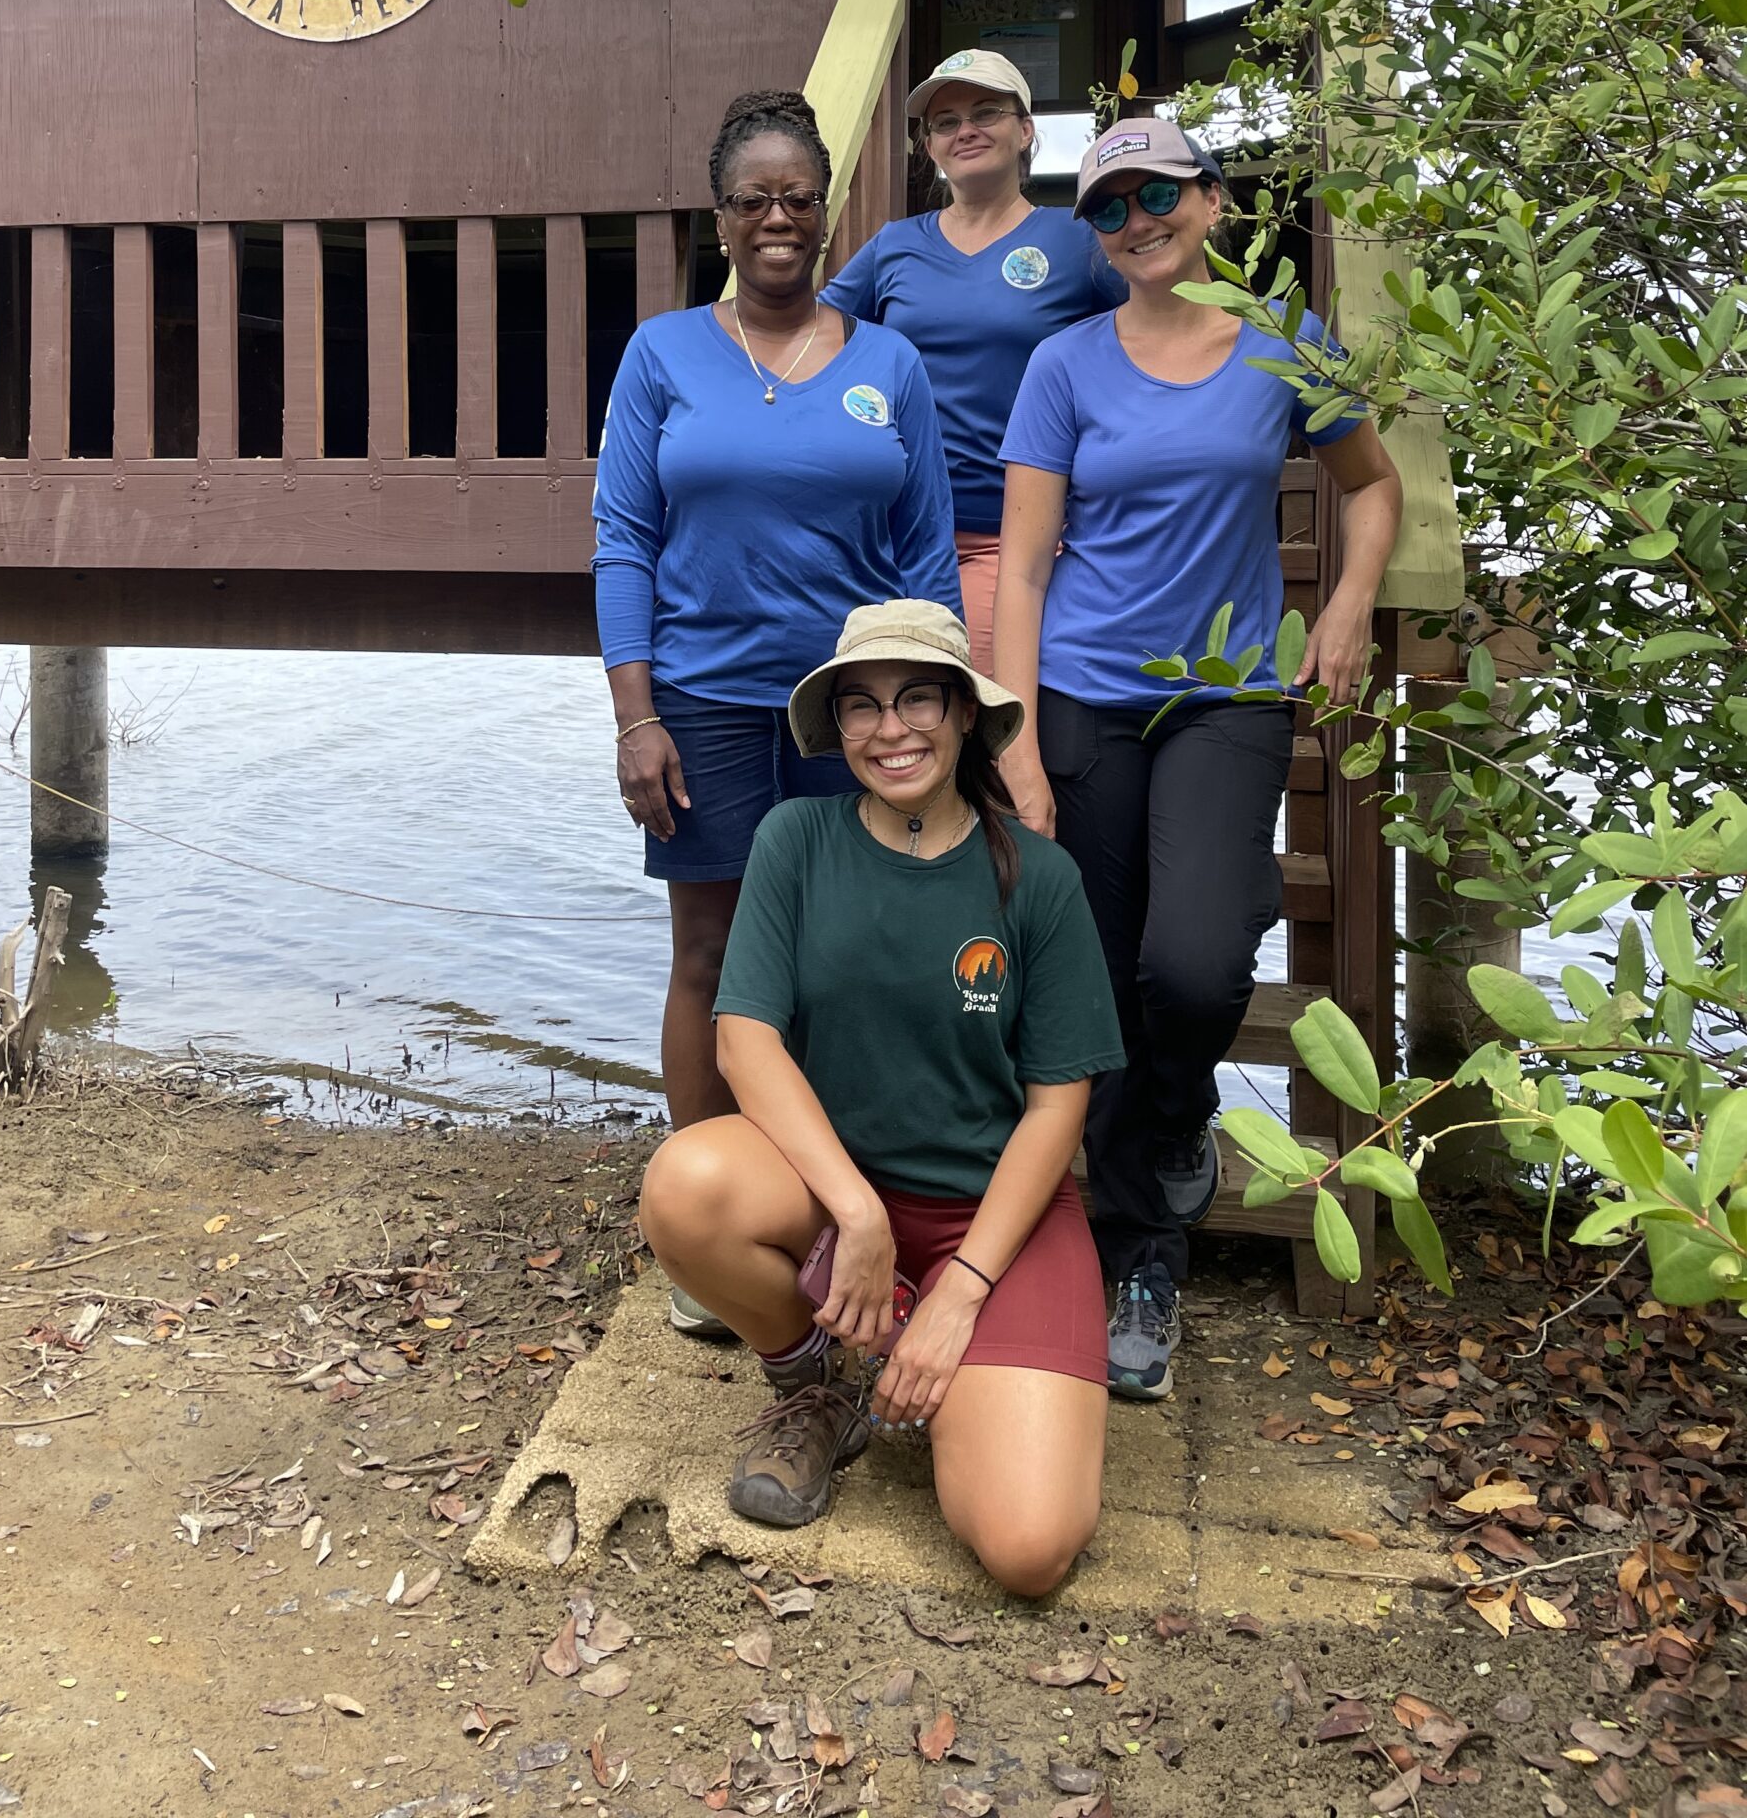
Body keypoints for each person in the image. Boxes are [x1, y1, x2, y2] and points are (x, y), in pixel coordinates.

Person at [994, 117, 1403, 1402]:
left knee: (1199, 956)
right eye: (1109, 208)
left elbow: (1373, 484)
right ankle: (1139, 1257)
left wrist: (1343, 608)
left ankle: (1173, 1128)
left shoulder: (1284, 345)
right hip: (1083, 697)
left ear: (1213, 201)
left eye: (1158, 194)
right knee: (1107, 977)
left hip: (1227, 695)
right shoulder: (1062, 364)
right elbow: (1022, 562)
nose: (1136, 222)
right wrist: (1013, 736)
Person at [638, 599, 1122, 1596]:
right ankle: (821, 1383)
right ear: (836, 728)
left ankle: (940, 1367)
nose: (889, 728)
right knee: (685, 1183)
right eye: (860, 706)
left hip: (995, 1221)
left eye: (916, 700)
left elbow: (1056, 1107)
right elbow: (744, 1037)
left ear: (962, 715)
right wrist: (855, 1209)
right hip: (835, 1193)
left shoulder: (1040, 878)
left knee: (1030, 1549)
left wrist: (960, 1294)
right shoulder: (796, 841)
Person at [593, 92, 961, 1331]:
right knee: (710, 954)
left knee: (846, 961)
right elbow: (623, 538)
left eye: (798, 197)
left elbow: (924, 554)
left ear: (826, 211)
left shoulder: (888, 364)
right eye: (753, 198)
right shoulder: (663, 355)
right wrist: (635, 716)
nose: (777, 218)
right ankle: (704, 1222)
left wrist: (934, 712)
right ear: (721, 217)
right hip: (701, 700)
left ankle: (841, 1199)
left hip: (853, 709)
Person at [822, 49, 1126, 672]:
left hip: (1014, 534)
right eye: (944, 121)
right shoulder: (894, 245)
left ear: (1026, 130)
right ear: (928, 146)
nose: (966, 129)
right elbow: (807, 339)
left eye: (986, 111)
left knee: (972, 722)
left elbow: (1155, 332)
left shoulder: (1077, 242)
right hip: (890, 530)